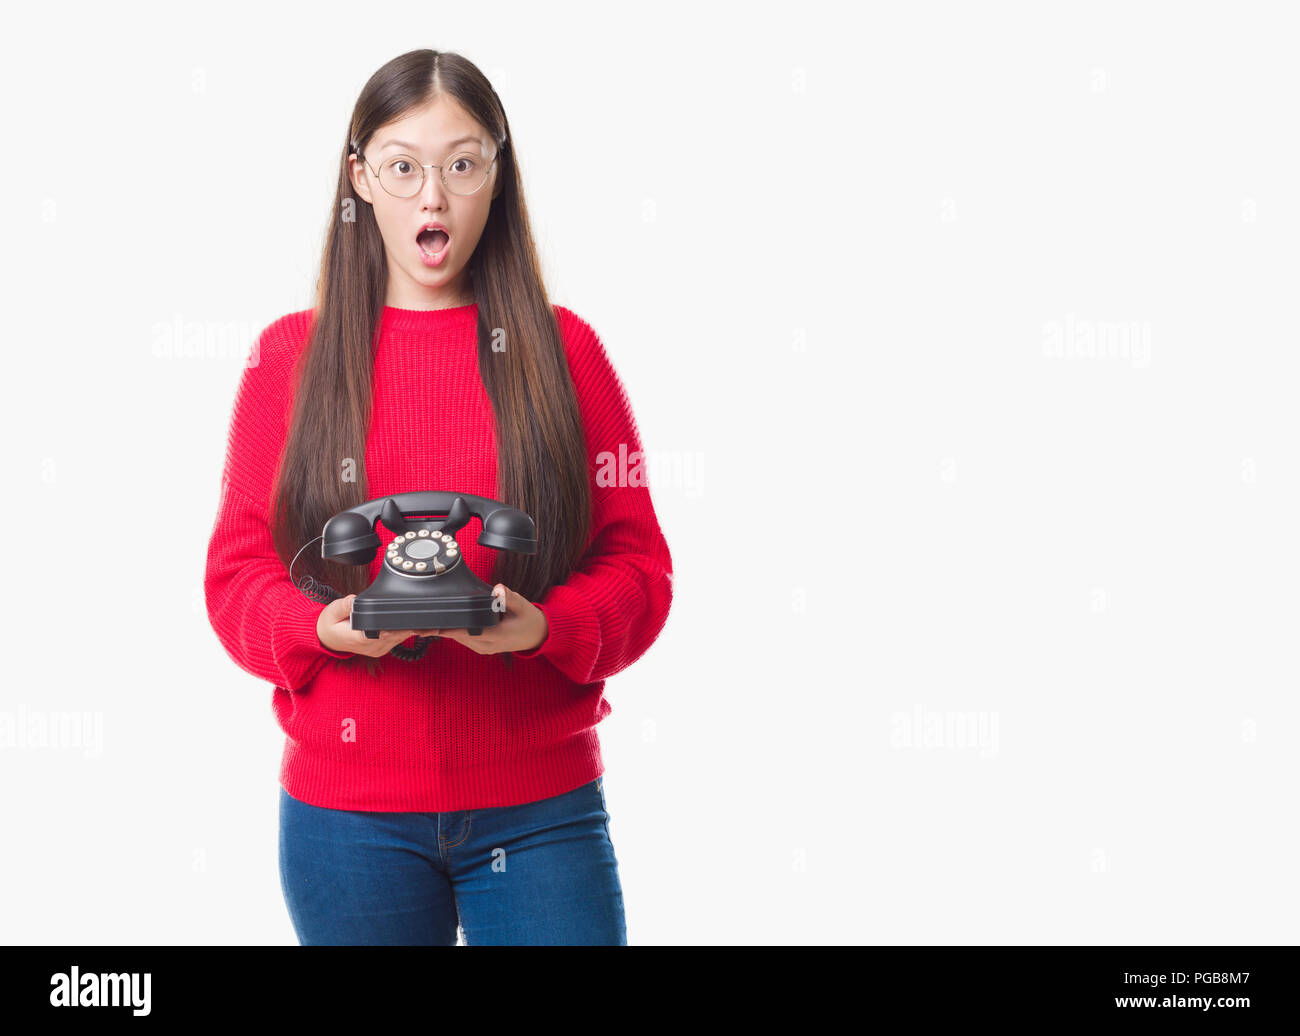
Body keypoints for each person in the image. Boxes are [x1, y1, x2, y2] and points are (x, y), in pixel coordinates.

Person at [203, 48, 673, 946]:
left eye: (461, 164)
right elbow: (236, 577)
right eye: (402, 166)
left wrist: (547, 627)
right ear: (360, 180)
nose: (432, 197)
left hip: (542, 809)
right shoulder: (286, 360)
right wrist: (318, 628)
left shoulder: (568, 353)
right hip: (348, 820)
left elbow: (640, 569)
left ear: (497, 176)